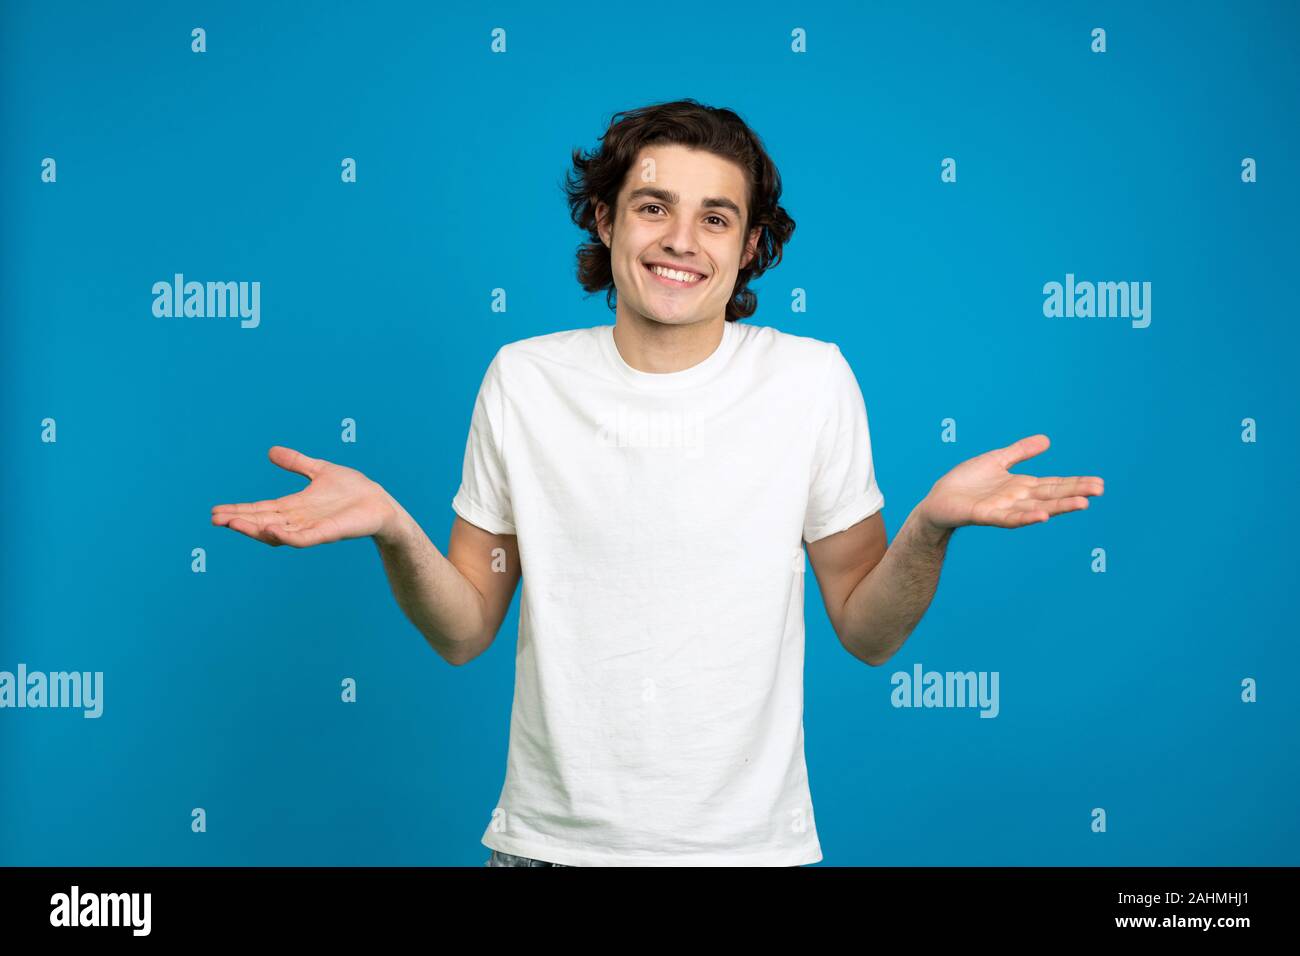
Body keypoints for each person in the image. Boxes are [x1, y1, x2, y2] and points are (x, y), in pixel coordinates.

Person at [211, 99, 1104, 867]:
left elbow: (868, 633)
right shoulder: (524, 379)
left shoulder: (811, 380)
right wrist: (395, 531)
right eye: (653, 206)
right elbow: (465, 628)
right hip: (547, 848)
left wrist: (931, 527)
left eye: (716, 218)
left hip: (749, 852)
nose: (682, 240)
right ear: (605, 220)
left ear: (750, 246)